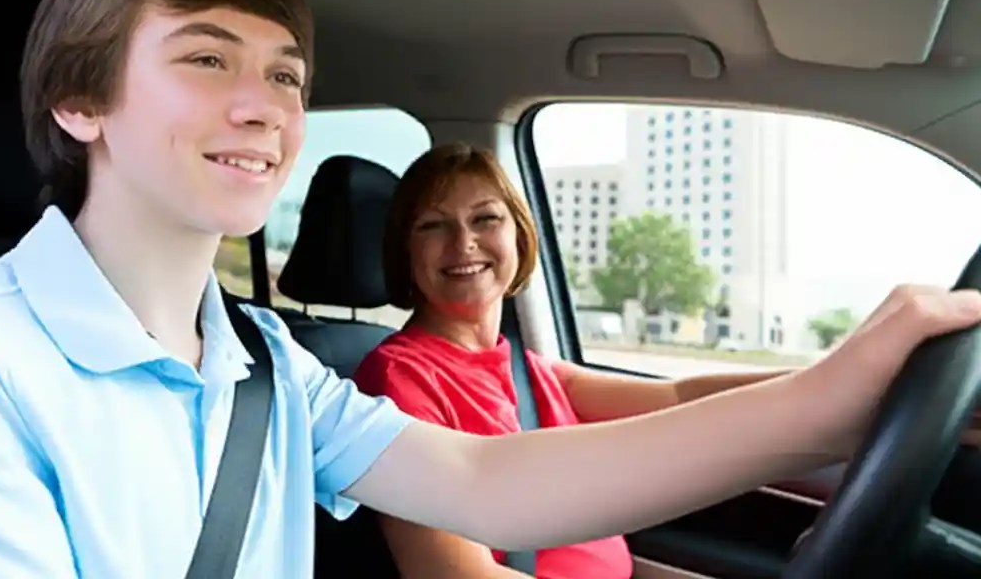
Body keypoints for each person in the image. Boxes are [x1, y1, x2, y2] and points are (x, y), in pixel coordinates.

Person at [0, 0, 981, 578]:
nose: (264, 106)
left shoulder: (264, 363)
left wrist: (828, 401)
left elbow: (483, 482)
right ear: (80, 103)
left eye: (284, 76)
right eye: (206, 59)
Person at [353, 142, 981, 578]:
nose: (463, 242)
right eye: (432, 226)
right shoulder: (397, 377)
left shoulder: (530, 370)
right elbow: (446, 572)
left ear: (520, 234)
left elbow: (678, 399)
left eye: (485, 218)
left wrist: (852, 377)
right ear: (404, 252)